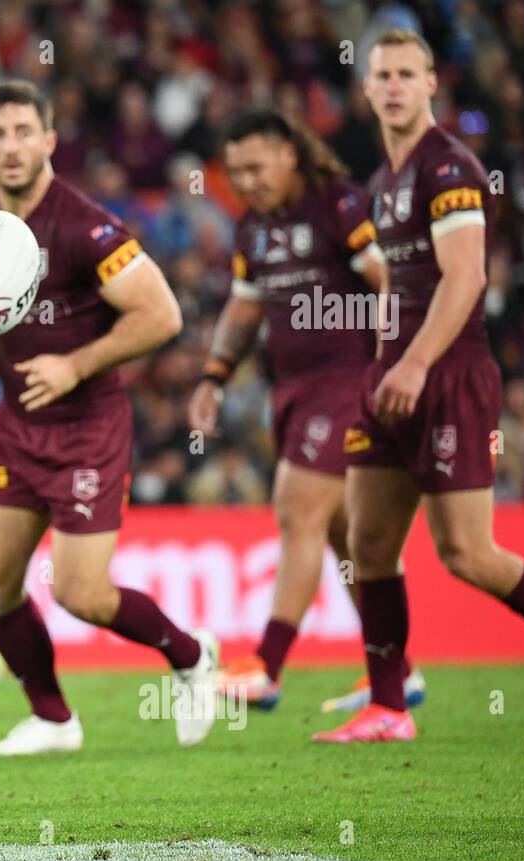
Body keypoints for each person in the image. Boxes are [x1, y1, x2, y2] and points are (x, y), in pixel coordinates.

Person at [0, 80, 219, 756]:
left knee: (81, 593)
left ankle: (188, 654)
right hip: (16, 426)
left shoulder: (86, 225)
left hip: (89, 427)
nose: (10, 146)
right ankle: (53, 717)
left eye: (23, 131)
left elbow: (163, 315)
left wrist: (77, 363)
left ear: (50, 140)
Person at [316, 30, 524, 742]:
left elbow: (467, 275)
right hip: (391, 378)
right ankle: (389, 706)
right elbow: (398, 289)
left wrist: (415, 363)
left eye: (405, 74)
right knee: (367, 539)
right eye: (380, 74)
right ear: (367, 88)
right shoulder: (383, 183)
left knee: (467, 555)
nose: (392, 86)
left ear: (430, 85)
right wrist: (384, 359)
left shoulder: (449, 169)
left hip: (447, 375)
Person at [187, 108, 426, 711]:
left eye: (255, 166)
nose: (245, 181)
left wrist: (394, 362)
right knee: (345, 534)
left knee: (297, 510)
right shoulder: (254, 229)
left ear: (289, 153)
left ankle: (266, 666)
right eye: (235, 171)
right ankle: (396, 668)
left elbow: (387, 281)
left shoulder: (340, 205)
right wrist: (213, 376)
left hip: (347, 382)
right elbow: (244, 311)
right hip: (290, 388)